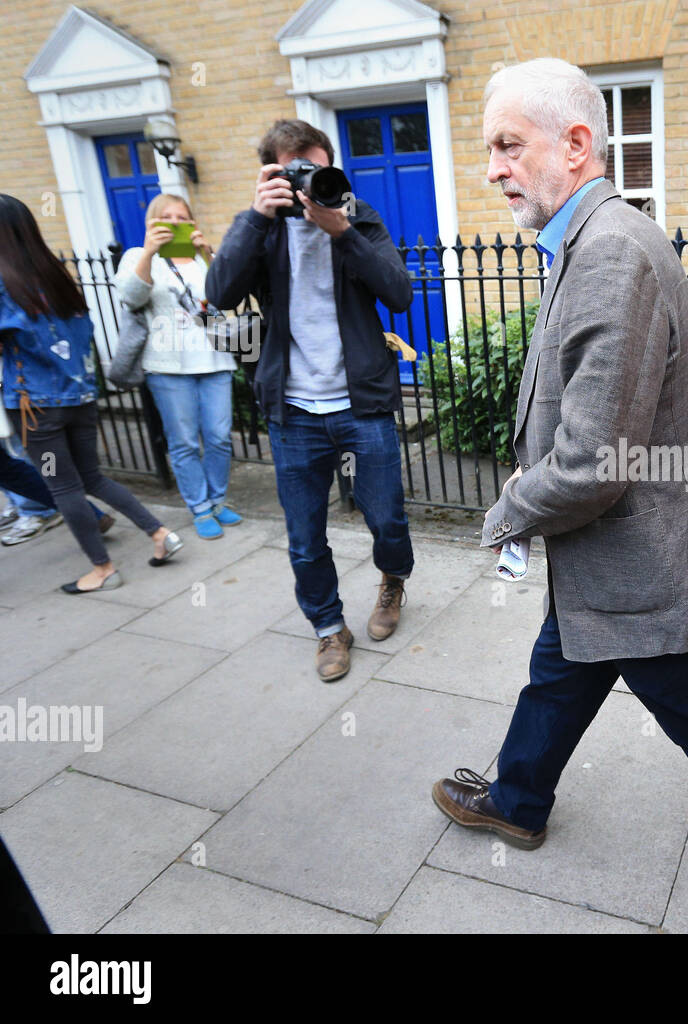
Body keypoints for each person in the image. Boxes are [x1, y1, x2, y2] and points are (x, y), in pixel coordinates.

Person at [430, 59, 688, 901]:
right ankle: (517, 800)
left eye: (508, 145)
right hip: (606, 552)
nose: (492, 167)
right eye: (490, 149)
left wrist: (507, 511)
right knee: (561, 667)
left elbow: (595, 462)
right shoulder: (587, 240)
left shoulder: (612, 251)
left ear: (576, 144)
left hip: (639, 555)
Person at [206, 119, 415, 681]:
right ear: (271, 171)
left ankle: (392, 582)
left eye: (315, 168)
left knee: (388, 520)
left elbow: (398, 294)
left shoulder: (359, 217)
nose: (306, 181)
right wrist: (255, 217)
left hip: (361, 405)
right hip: (293, 414)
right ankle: (329, 627)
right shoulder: (262, 228)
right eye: (293, 169)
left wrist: (341, 231)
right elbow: (218, 293)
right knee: (304, 538)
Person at [0, 194, 182, 593]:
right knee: (92, 478)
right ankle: (159, 533)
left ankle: (102, 569)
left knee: (61, 486)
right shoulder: (56, 275)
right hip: (81, 397)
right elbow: (85, 334)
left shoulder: (4, 284)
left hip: (36, 409)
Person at [114, 193, 240, 540]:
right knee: (184, 441)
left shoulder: (203, 258)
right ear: (153, 222)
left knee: (218, 438)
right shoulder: (137, 257)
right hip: (168, 366)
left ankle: (217, 501)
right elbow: (131, 297)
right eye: (167, 217)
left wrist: (208, 255)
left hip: (214, 360)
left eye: (183, 217)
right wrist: (150, 253)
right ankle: (199, 507)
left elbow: (226, 298)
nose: (176, 223)